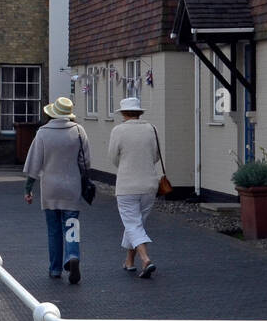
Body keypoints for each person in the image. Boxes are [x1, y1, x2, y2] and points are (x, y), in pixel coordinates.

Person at [22, 95, 91, 284]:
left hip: (50, 188)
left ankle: (54, 269)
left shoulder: (43, 133)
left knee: (53, 231)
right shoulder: (78, 131)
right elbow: (86, 163)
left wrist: (28, 189)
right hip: (72, 187)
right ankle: (72, 256)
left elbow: (34, 163)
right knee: (71, 226)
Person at [107, 96, 162, 279]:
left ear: (123, 113)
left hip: (127, 185)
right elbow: (155, 156)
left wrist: (126, 164)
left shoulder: (118, 130)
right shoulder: (151, 129)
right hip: (149, 184)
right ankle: (129, 262)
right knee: (136, 224)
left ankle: (146, 260)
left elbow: (113, 157)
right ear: (139, 112)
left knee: (132, 224)